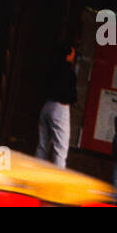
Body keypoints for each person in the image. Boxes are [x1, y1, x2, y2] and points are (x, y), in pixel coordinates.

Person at [34, 36, 77, 168]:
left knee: (42, 146)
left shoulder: (51, 67)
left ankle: (35, 174)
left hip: (46, 105)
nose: (74, 56)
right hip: (60, 108)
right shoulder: (69, 72)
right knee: (60, 149)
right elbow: (72, 96)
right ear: (68, 54)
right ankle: (58, 179)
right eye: (73, 53)